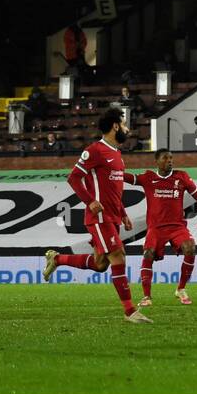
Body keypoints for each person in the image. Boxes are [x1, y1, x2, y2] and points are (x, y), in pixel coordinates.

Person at [43, 109, 150, 323]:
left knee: (101, 264)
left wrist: (123, 213)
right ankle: (130, 311)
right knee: (118, 255)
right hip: (99, 218)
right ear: (115, 126)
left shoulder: (117, 154)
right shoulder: (95, 150)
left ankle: (57, 258)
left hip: (112, 217)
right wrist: (90, 202)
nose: (128, 129)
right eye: (125, 124)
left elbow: (113, 191)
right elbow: (74, 178)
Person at [125, 149, 197, 307]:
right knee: (148, 253)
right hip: (156, 228)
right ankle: (147, 297)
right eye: (165, 158)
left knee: (190, 247)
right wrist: (111, 170)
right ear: (157, 161)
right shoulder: (148, 177)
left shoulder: (182, 177)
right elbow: (127, 177)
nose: (170, 161)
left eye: (171, 158)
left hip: (177, 227)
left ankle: (181, 289)